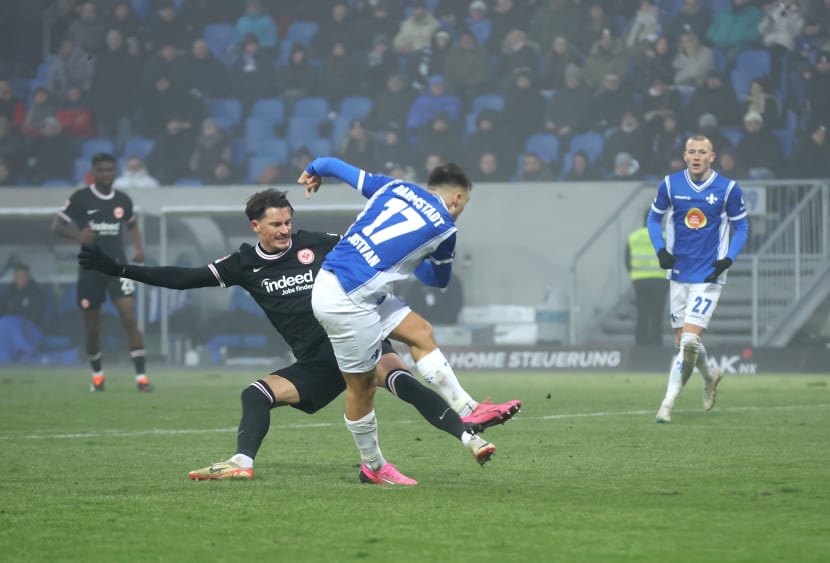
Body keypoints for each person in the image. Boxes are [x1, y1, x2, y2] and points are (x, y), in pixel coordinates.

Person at [78, 189, 499, 483]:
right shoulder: (243, 264)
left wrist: (426, 254)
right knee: (255, 393)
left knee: (398, 376)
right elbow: (184, 278)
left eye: (288, 222)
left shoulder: (317, 244)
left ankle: (470, 436)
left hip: (351, 332)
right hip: (316, 360)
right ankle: (241, 462)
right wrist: (119, 269)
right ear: (255, 226)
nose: (285, 230)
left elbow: (371, 250)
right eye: (276, 224)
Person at [298, 157, 521, 484]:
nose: (461, 210)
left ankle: (469, 407)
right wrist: (413, 256)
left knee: (420, 332)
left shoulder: (394, 186)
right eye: (465, 204)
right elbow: (438, 280)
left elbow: (331, 163)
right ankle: (373, 467)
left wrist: (314, 170)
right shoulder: (445, 228)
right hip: (346, 302)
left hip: (338, 281)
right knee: (361, 390)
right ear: (456, 198)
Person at [647, 135, 750, 423]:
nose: (696, 156)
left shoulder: (728, 189)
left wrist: (728, 258)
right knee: (683, 344)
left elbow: (742, 226)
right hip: (679, 273)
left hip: (709, 274)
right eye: (691, 151)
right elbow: (653, 219)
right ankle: (710, 375)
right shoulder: (670, 184)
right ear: (685, 156)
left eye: (702, 152)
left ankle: (666, 405)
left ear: (712, 157)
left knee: (690, 341)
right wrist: (660, 250)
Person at [52, 153, 150, 392]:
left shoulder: (123, 200)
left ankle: (141, 379)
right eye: (102, 170)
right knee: (93, 327)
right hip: (90, 268)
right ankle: (97, 377)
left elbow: (132, 226)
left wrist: (137, 248)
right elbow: (57, 225)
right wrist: (78, 236)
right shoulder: (81, 198)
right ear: (93, 172)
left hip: (118, 266)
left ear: (115, 172)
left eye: (110, 170)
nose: (106, 174)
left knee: (129, 317)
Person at [625, 215, 667, 347]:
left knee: (642, 313)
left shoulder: (633, 237)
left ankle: (641, 345)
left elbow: (627, 260)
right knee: (657, 315)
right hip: (660, 281)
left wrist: (635, 274)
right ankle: (656, 345)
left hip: (640, 281)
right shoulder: (665, 237)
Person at [0, 263, 47, 363]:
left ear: (29, 276)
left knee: (10, 325)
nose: (21, 278)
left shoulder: (36, 292)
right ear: (15, 276)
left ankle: (27, 350)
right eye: (18, 276)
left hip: (29, 327)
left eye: (23, 276)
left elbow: (36, 316)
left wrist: (16, 320)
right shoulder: (9, 290)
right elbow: (2, 309)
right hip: (7, 326)